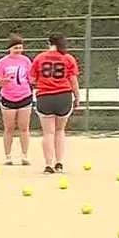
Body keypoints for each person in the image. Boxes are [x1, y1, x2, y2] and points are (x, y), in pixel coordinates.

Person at [29, 33, 80, 173]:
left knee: (48, 133)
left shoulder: (39, 58)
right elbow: (73, 80)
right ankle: (59, 163)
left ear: (48, 43)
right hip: (63, 96)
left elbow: (32, 80)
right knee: (60, 131)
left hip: (45, 97)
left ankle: (48, 164)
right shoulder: (68, 58)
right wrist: (77, 96)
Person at [0, 33, 33, 166]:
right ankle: (8, 156)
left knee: (24, 128)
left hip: (24, 96)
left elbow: (31, 78)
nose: (18, 50)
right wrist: (3, 81)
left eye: (20, 48)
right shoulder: (2, 62)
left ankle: (24, 155)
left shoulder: (26, 61)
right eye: (15, 48)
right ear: (10, 48)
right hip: (8, 98)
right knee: (9, 128)